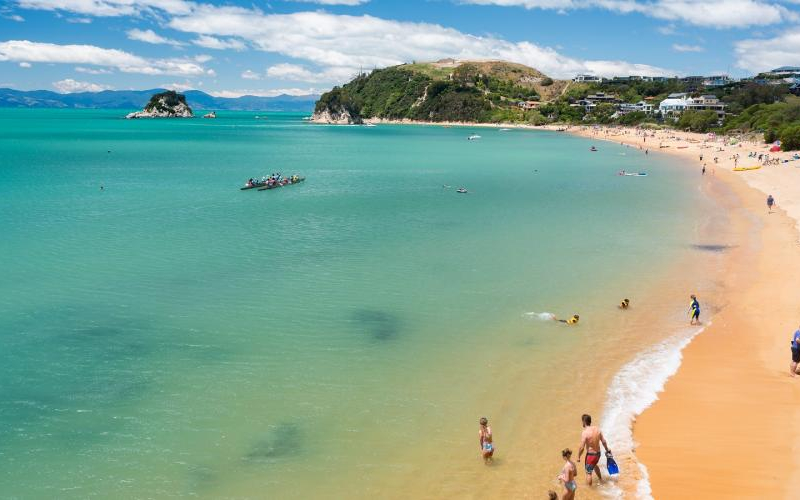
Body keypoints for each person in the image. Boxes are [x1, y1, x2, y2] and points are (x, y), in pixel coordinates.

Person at [577, 414, 611, 486]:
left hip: (591, 456)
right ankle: (601, 480)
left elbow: (582, 447)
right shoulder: (597, 429)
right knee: (594, 465)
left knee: (588, 472)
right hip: (598, 454)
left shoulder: (585, 432)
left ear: (584, 422)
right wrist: (607, 450)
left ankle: (590, 489)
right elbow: (604, 441)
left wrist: (578, 456)